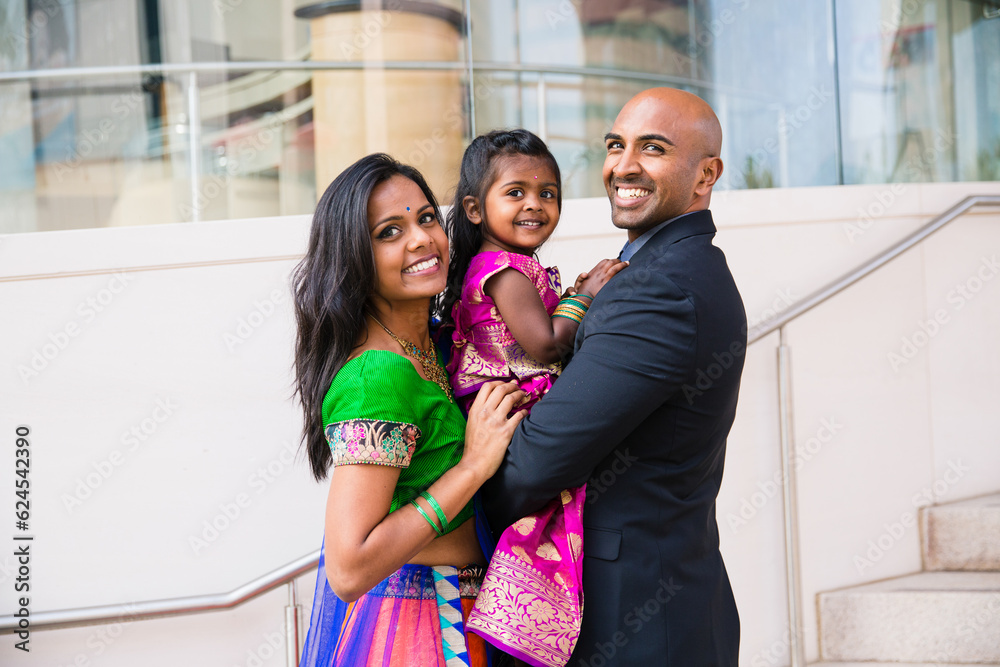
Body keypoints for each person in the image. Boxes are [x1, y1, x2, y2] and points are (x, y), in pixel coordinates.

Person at [482, 88, 746, 666]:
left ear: (706, 174)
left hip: (638, 624)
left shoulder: (659, 289)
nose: (623, 166)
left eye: (652, 149)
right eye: (615, 146)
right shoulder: (664, 270)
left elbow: (536, 464)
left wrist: (443, 501)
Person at [292, 153, 526, 667]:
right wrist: (472, 467)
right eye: (388, 232)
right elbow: (349, 568)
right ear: (353, 256)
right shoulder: (378, 375)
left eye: (425, 218)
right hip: (420, 628)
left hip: (469, 612)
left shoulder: (439, 348)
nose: (421, 239)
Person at [442, 129, 626, 665]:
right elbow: (545, 344)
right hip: (508, 408)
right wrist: (585, 296)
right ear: (476, 209)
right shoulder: (503, 268)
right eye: (516, 191)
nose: (535, 204)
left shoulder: (514, 265)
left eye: (548, 193)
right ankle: (529, 628)